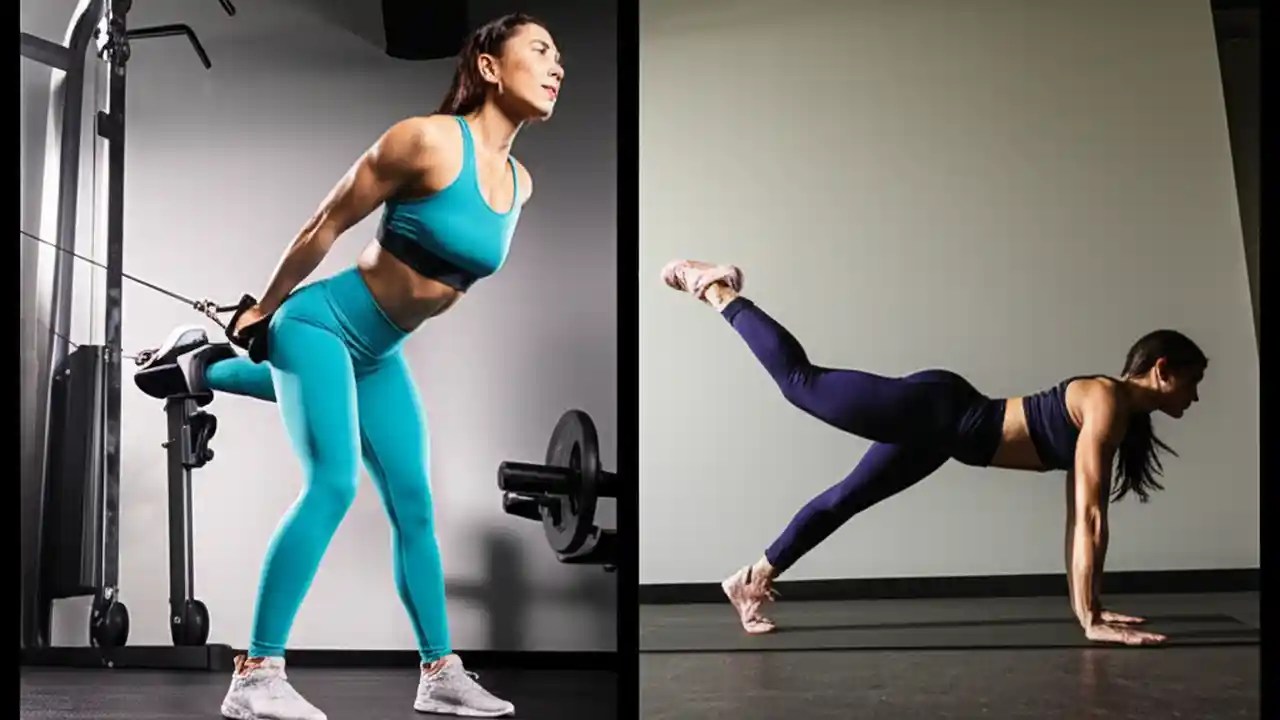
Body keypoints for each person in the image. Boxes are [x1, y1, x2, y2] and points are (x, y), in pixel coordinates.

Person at [140, 13, 563, 720]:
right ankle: (255, 676)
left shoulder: (520, 183)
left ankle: (440, 674)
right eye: (541, 50)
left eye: (560, 57)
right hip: (318, 323)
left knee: (414, 504)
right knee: (333, 483)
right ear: (489, 66)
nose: (556, 67)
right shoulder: (424, 140)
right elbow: (325, 224)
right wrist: (262, 312)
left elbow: (448, 281)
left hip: (379, 352)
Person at [660, 259, 1208, 648]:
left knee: (845, 499)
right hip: (941, 412)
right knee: (802, 383)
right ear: (1163, 370)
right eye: (1193, 382)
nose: (1196, 396)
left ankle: (751, 578)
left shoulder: (1117, 416)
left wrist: (1088, 608)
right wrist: (1089, 618)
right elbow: (1089, 518)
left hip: (944, 433)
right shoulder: (1106, 400)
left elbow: (1079, 516)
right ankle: (716, 290)